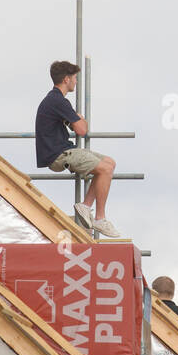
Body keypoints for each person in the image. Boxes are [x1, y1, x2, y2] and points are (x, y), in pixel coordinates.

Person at [35, 60, 120, 238]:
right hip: (59, 154)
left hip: (60, 150)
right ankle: (99, 218)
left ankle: (85, 206)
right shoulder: (58, 101)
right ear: (66, 79)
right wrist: (79, 118)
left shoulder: (54, 100)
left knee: (109, 163)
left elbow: (73, 126)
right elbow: (82, 130)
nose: (76, 81)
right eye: (74, 78)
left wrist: (74, 119)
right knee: (105, 169)